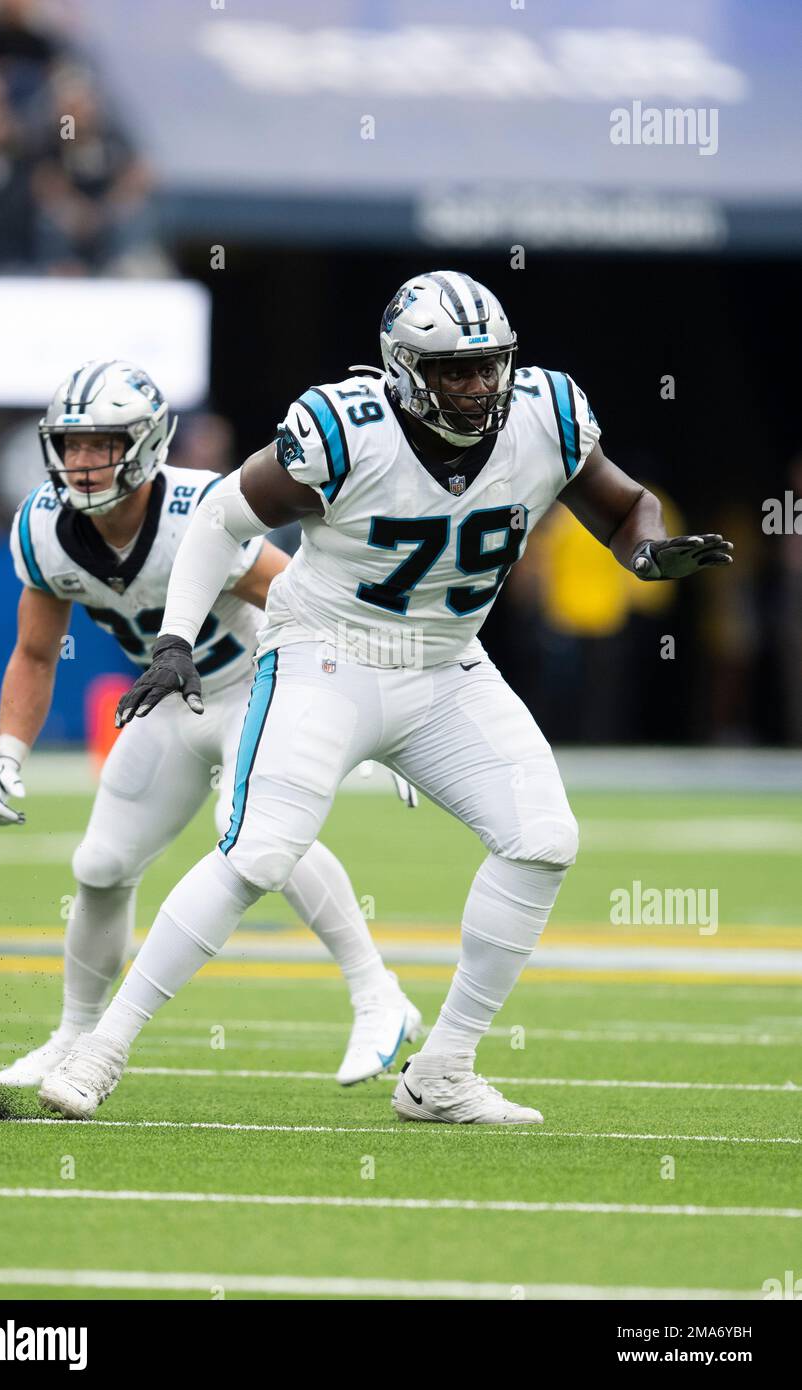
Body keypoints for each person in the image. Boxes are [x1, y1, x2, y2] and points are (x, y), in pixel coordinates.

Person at [40, 274, 732, 1125]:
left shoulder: (545, 415)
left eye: (490, 366)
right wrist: (176, 637)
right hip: (325, 654)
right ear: (405, 370)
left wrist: (649, 553)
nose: (480, 386)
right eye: (456, 371)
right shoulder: (345, 430)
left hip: (445, 665)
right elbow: (222, 519)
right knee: (259, 851)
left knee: (543, 838)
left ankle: (442, 1072)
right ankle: (100, 1051)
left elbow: (626, 507)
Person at [0, 359, 420, 1090]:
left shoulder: (197, 511)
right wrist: (7, 751)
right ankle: (73, 1036)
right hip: (169, 704)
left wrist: (378, 708)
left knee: (251, 829)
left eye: (103, 444)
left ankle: (379, 995)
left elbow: (301, 594)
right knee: (99, 867)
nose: (84, 463)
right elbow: (33, 652)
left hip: (257, 684)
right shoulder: (43, 530)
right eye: (73, 445)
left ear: (149, 444)